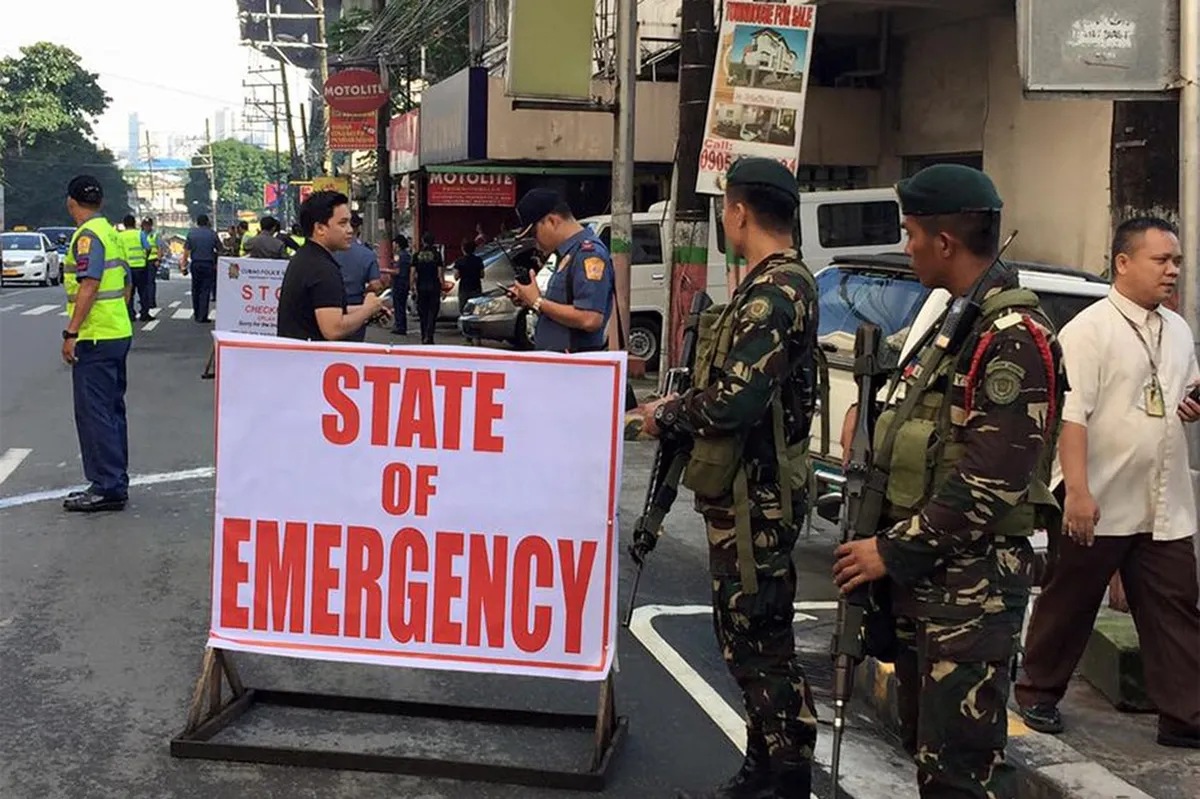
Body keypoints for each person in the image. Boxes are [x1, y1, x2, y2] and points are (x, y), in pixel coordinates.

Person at [831, 164, 1066, 799]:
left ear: (944, 242)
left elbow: (990, 481)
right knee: (935, 757)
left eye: (910, 234)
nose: (906, 247)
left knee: (961, 772)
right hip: (934, 590)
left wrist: (890, 550)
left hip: (971, 595)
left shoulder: (1012, 340)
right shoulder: (959, 323)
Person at [635, 158, 820, 799]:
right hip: (748, 496)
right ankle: (764, 768)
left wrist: (667, 415)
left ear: (738, 212)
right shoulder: (774, 284)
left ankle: (785, 776)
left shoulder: (775, 294)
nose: (724, 220)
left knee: (759, 640)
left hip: (757, 502)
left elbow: (736, 402)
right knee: (746, 640)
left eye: (724, 209)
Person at [1015, 217, 1200, 750]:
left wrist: (1191, 403)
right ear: (1123, 263)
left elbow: (1178, 392)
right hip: (1097, 493)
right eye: (1160, 260)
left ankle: (1185, 715)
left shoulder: (1177, 329)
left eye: (1176, 261)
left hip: (1161, 499)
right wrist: (1076, 491)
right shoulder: (1089, 330)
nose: (1172, 271)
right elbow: (1073, 417)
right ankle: (1037, 693)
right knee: (1069, 599)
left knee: (1176, 606)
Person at [60, 175, 134, 513]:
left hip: (96, 335)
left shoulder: (88, 236)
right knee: (112, 410)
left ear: (71, 202)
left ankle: (106, 485)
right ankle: (114, 480)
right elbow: (127, 282)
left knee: (95, 413)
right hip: (117, 331)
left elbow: (89, 284)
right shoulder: (111, 233)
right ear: (100, 202)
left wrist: (71, 332)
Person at [506, 189, 615, 353]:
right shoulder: (568, 253)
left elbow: (591, 318)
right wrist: (529, 299)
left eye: (535, 233)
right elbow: (563, 306)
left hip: (574, 360)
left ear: (552, 221)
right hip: (559, 359)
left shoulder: (588, 254)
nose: (536, 242)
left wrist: (538, 302)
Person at [276, 190, 388, 341]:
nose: (350, 230)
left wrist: (369, 309)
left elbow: (328, 308)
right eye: (342, 223)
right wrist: (367, 310)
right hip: (311, 355)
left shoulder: (307, 257)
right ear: (320, 228)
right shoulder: (322, 268)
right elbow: (333, 329)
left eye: (349, 223)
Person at [333, 211, 383, 342]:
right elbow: (376, 285)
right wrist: (366, 292)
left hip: (331, 305)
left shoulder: (330, 251)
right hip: (357, 305)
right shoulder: (368, 254)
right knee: (354, 346)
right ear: (359, 228)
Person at [180, 214, 221, 323]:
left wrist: (183, 266)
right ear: (207, 222)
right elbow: (220, 249)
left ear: (197, 222)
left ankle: (197, 313)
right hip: (208, 264)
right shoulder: (212, 234)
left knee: (196, 289)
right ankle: (203, 316)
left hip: (196, 264)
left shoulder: (191, 233)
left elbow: (186, 252)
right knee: (205, 290)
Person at [411, 231, 445, 345]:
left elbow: (412, 273)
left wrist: (412, 287)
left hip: (421, 287)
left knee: (423, 313)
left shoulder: (417, 255)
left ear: (423, 241)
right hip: (434, 287)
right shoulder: (437, 255)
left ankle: (423, 335)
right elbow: (440, 274)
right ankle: (429, 335)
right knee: (432, 312)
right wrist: (443, 287)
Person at [119, 214, 152, 321]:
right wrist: (145, 258)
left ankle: (130, 314)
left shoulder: (120, 236)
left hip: (126, 268)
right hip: (141, 267)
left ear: (124, 224)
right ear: (134, 223)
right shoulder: (140, 234)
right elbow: (148, 248)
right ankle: (144, 314)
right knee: (143, 291)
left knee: (129, 291)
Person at [384, 234, 412, 336]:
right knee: (401, 305)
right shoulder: (407, 255)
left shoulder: (400, 256)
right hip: (404, 283)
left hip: (399, 283)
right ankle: (401, 325)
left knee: (398, 305)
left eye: (394, 243)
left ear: (398, 244)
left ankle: (400, 326)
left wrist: (385, 270)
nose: (393, 246)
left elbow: (397, 271)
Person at [454, 237, 485, 317]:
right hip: (476, 287)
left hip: (464, 289)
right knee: (476, 311)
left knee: (464, 310)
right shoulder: (478, 260)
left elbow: (456, 276)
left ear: (463, 248)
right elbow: (482, 275)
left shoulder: (459, 261)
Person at [141, 217, 162, 311]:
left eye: (148, 225)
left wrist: (158, 260)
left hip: (152, 260)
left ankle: (151, 301)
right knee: (143, 282)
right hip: (142, 261)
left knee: (150, 282)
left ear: (151, 225)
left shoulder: (154, 235)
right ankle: (145, 299)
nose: (147, 227)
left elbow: (159, 248)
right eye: (145, 225)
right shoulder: (140, 234)